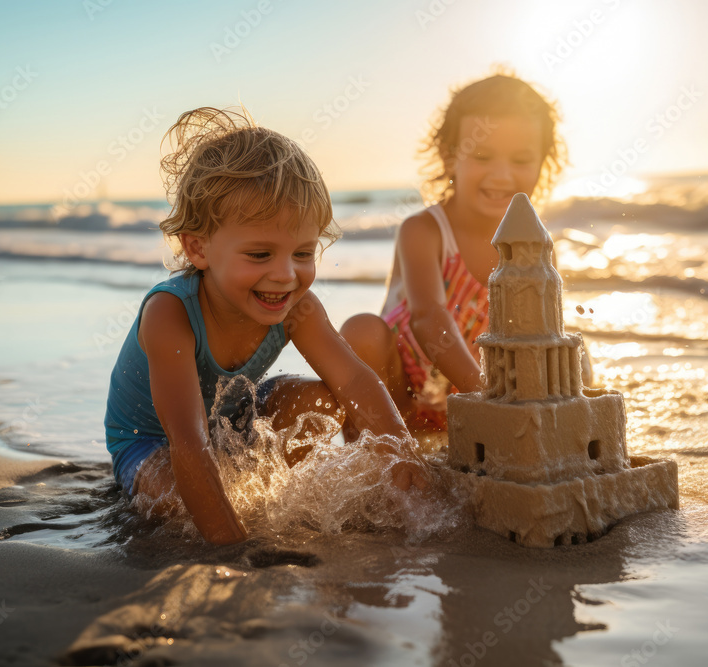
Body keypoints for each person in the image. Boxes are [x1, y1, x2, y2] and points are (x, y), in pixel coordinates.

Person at [104, 107, 431, 545]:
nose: (285, 275)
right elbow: (187, 437)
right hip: (153, 441)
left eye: (302, 253)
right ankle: (226, 503)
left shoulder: (298, 307)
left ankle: (258, 487)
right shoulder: (170, 315)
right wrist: (235, 547)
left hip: (233, 417)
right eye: (260, 255)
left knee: (322, 404)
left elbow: (352, 377)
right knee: (178, 506)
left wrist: (402, 454)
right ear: (198, 248)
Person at [341, 71, 579, 434]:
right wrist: (481, 393)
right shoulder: (425, 231)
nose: (501, 175)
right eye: (482, 155)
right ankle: (384, 452)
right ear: (450, 157)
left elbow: (536, 340)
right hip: (403, 396)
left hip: (484, 400)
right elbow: (428, 317)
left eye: (520, 160)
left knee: (574, 358)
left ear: (543, 163)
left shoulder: (534, 249)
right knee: (361, 332)